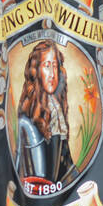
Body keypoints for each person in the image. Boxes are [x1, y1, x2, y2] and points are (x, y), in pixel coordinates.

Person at [17, 40, 72, 187]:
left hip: (58, 197)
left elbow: (66, 165)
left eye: (55, 66)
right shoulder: (27, 115)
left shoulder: (57, 107)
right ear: (36, 70)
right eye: (47, 66)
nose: (52, 74)